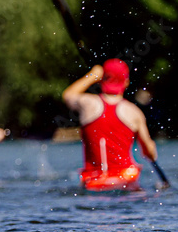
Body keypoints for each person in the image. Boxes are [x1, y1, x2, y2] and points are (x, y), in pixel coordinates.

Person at [61, 59, 157, 191]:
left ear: (102, 80)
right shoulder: (134, 112)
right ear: (126, 82)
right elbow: (148, 152)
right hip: (125, 180)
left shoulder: (88, 104)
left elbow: (68, 95)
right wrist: (151, 150)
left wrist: (92, 76)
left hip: (94, 181)